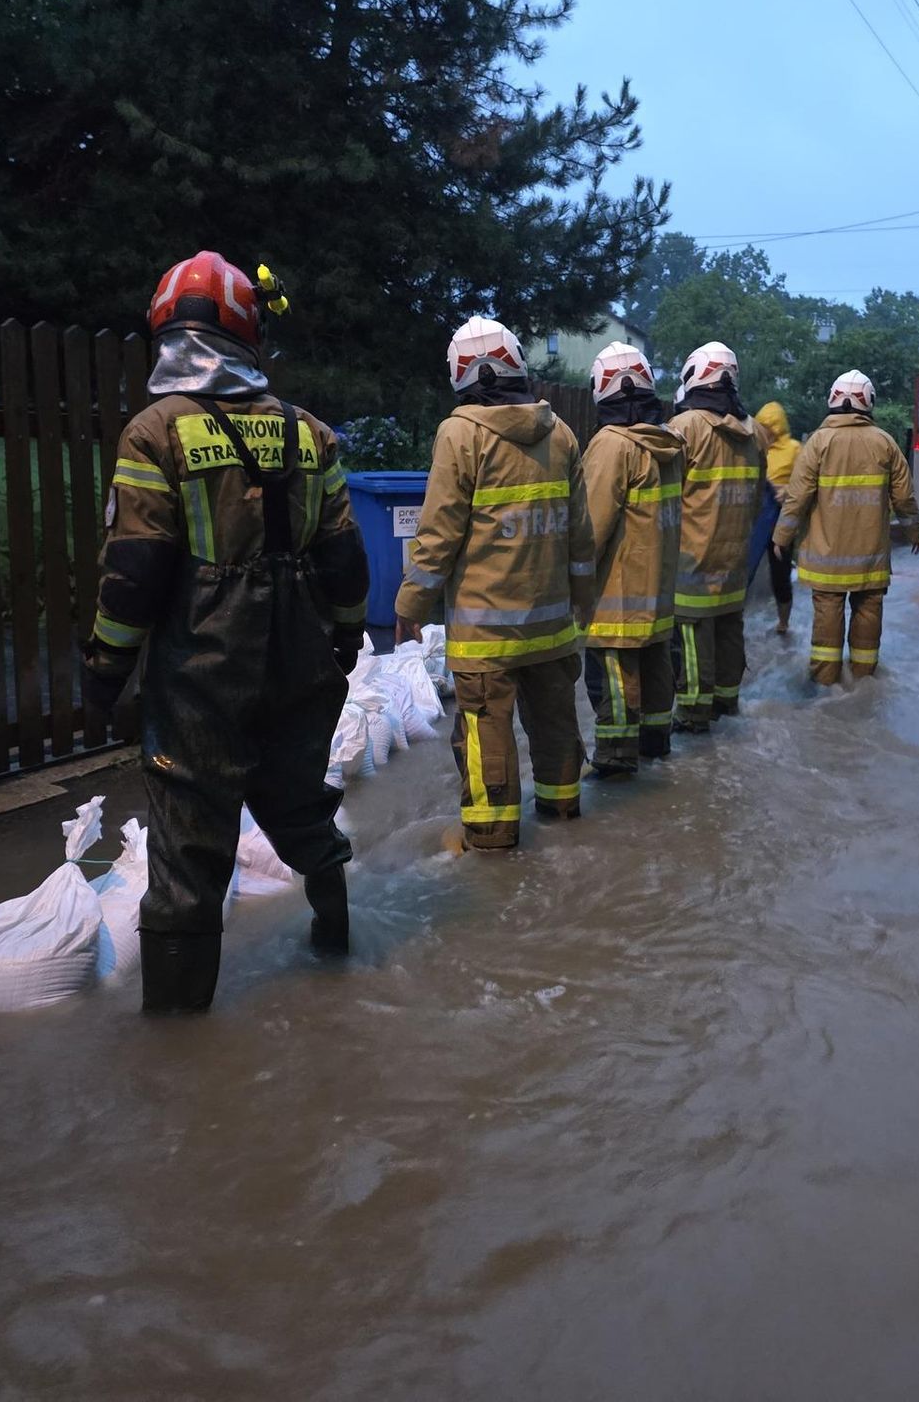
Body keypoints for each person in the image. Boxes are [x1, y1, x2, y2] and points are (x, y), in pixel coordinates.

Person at [81, 250, 369, 1014]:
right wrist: (342, 639)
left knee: (189, 843)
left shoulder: (155, 434)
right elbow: (344, 558)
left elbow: (135, 569)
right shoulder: (311, 435)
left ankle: (177, 1044)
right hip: (302, 651)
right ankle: (336, 949)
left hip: (203, 668)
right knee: (301, 804)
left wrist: (106, 665)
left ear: (166, 335)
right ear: (249, 337)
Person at [394, 316, 595, 850]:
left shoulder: (459, 434)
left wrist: (409, 605)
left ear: (461, 377)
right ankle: (562, 812)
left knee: (487, 735)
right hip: (552, 627)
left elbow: (438, 535)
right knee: (555, 725)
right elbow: (580, 535)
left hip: (486, 636)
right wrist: (585, 604)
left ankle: (490, 842)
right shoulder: (563, 435)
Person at [774, 370, 919, 685]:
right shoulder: (885, 443)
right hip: (871, 558)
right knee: (869, 612)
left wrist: (781, 537)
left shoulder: (818, 442)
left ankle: (826, 686)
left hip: (828, 559)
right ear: (869, 403)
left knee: (828, 614)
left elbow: (797, 497)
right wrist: (914, 532)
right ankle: (863, 682)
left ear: (832, 399)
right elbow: (904, 497)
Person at [580, 342, 683, 774]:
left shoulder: (611, 446)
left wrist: (568, 584)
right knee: (656, 679)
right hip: (657, 597)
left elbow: (591, 529)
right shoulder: (672, 445)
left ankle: (617, 764)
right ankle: (655, 748)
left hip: (615, 602)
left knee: (615, 687)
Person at [666, 342, 764, 730]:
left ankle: (693, 715)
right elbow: (755, 500)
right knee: (728, 632)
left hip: (693, 559)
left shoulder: (685, 428)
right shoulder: (754, 432)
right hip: (734, 559)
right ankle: (727, 705)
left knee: (691, 639)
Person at [748, 401, 800, 634]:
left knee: (780, 572)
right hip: (756, 516)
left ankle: (783, 621)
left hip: (782, 517)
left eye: (768, 428)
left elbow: (805, 483)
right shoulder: (753, 448)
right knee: (744, 568)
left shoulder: (794, 449)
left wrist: (786, 490)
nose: (764, 432)